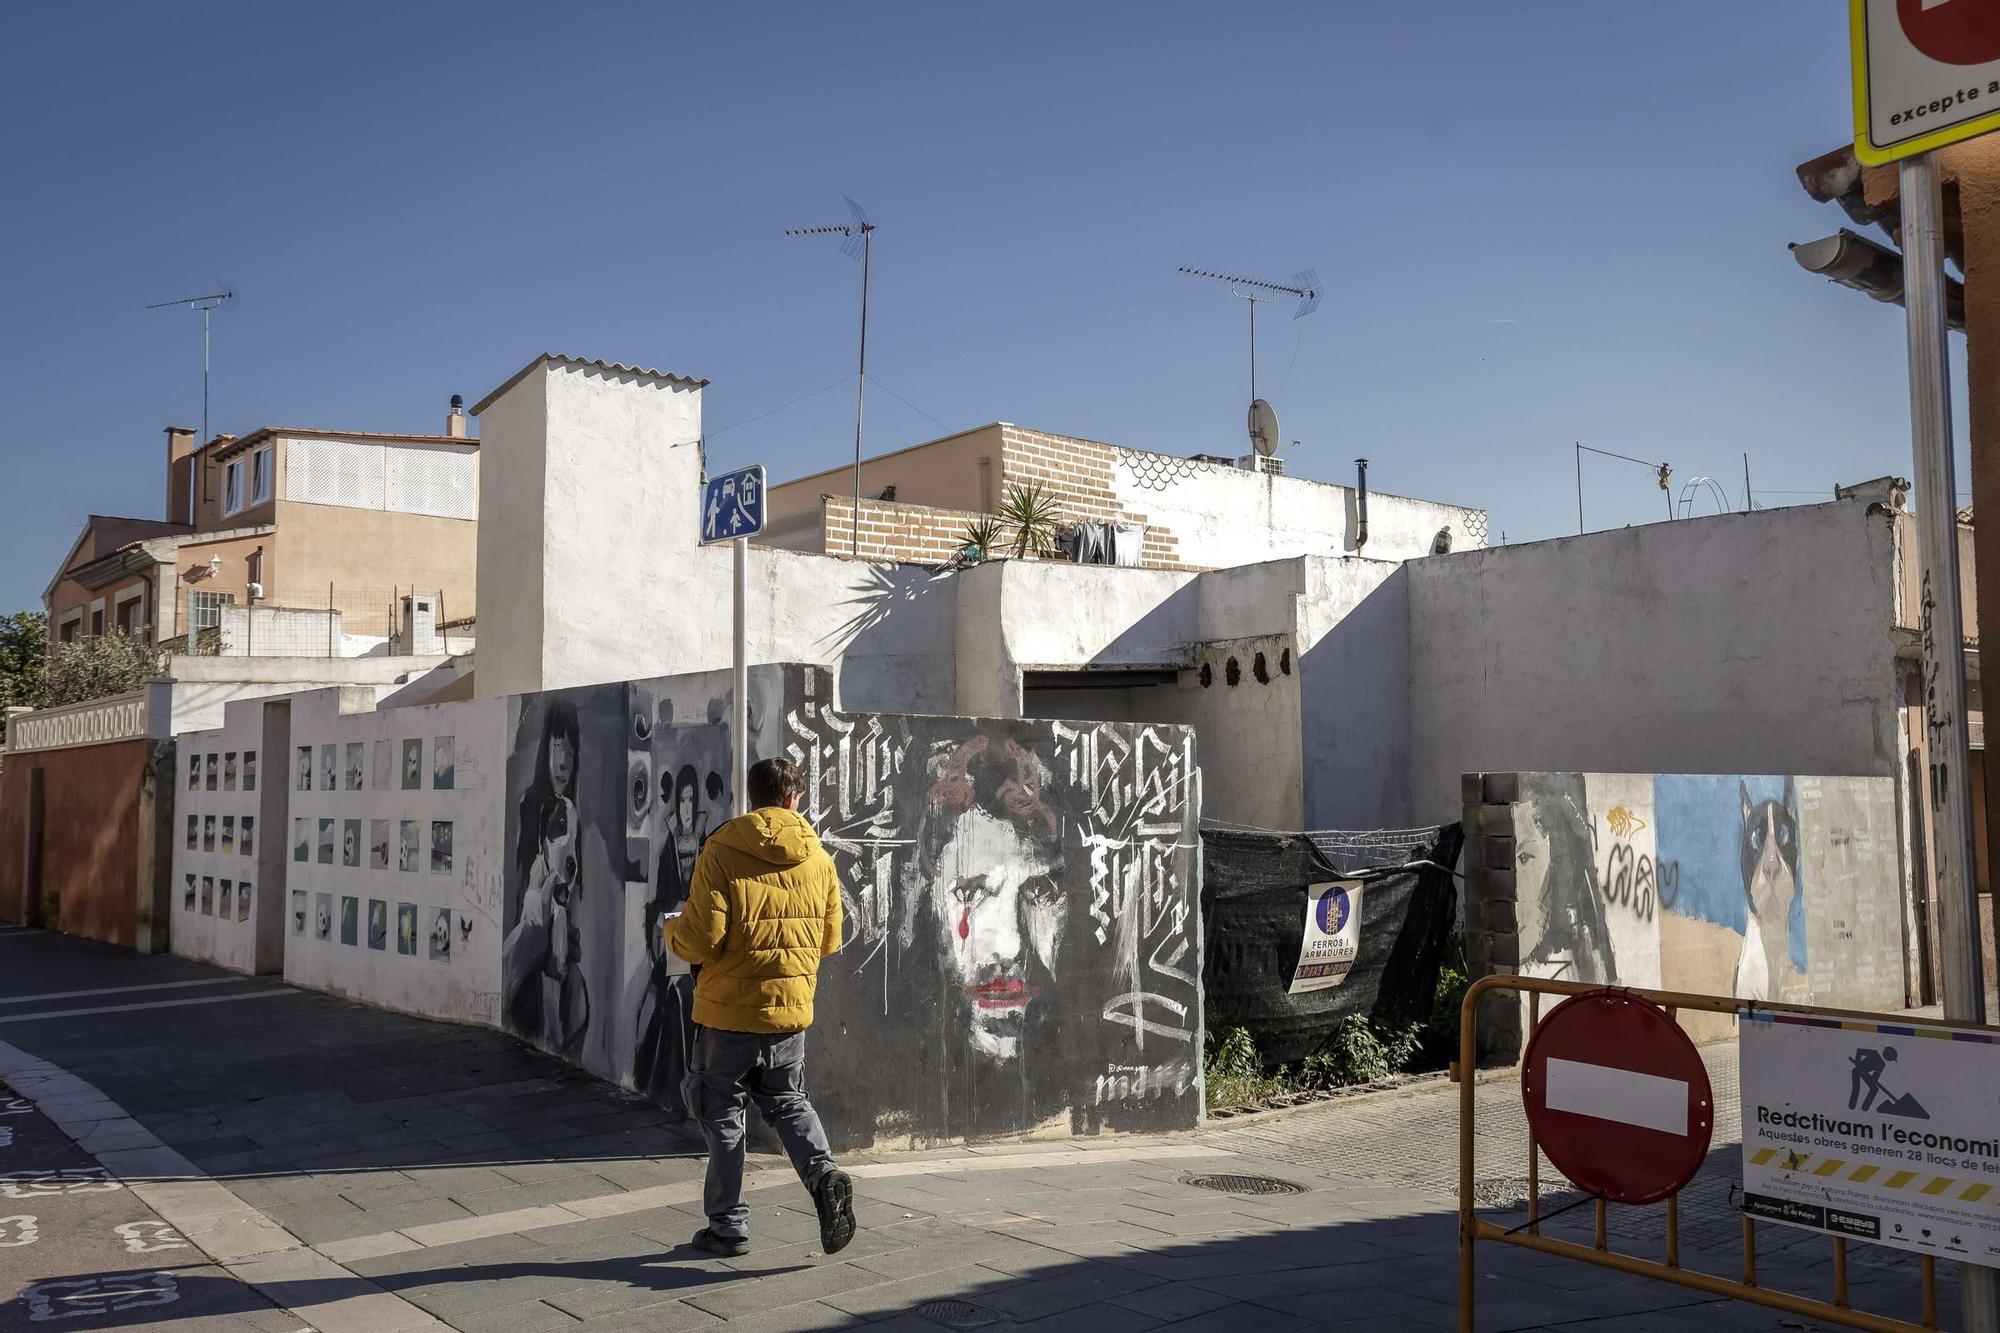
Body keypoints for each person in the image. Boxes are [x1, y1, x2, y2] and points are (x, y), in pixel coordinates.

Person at [666, 756, 854, 1258]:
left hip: (727, 1014)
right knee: (788, 1101)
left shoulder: (722, 849)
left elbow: (702, 938)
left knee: (722, 1111)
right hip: (789, 1013)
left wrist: (671, 931)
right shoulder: (820, 858)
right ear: (794, 798)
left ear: (754, 796)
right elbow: (830, 940)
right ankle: (824, 1175)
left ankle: (728, 1226)